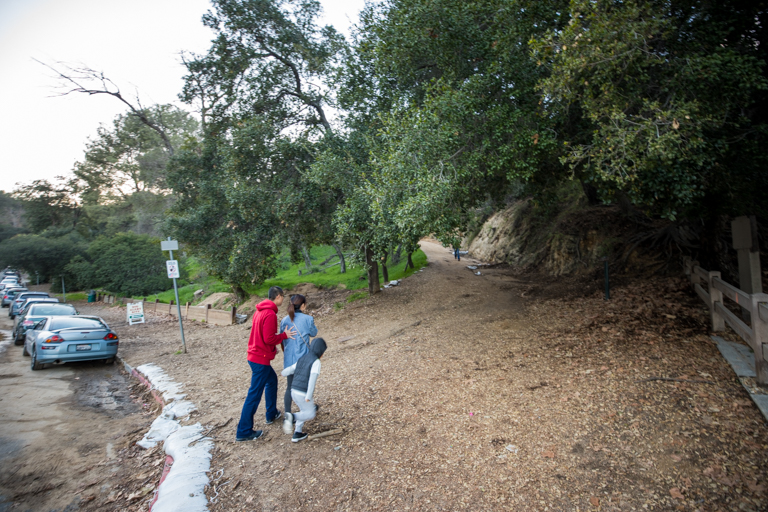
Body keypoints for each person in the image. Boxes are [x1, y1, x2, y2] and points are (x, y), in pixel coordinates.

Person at [235, 286, 297, 442]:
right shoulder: (270, 314)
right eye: (283, 296)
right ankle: (243, 431)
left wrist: (271, 349)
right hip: (259, 359)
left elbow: (262, 336)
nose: (283, 299)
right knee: (254, 395)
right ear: (277, 296)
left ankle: (271, 413)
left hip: (256, 355)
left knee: (272, 380)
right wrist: (284, 335)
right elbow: (269, 338)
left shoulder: (260, 311)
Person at [279, 294, 318, 420]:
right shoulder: (308, 319)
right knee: (305, 386)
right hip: (303, 359)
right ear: (303, 305)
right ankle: (306, 410)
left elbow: (281, 338)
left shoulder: (284, 320)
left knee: (289, 386)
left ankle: (288, 414)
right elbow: (314, 333)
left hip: (289, 359)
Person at [281, 337, 327, 442]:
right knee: (310, 413)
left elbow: (292, 368)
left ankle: (297, 433)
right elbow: (312, 380)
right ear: (321, 352)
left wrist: (284, 372)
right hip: (303, 392)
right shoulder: (316, 362)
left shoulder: (303, 358)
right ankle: (291, 417)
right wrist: (309, 396)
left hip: (293, 390)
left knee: (304, 410)